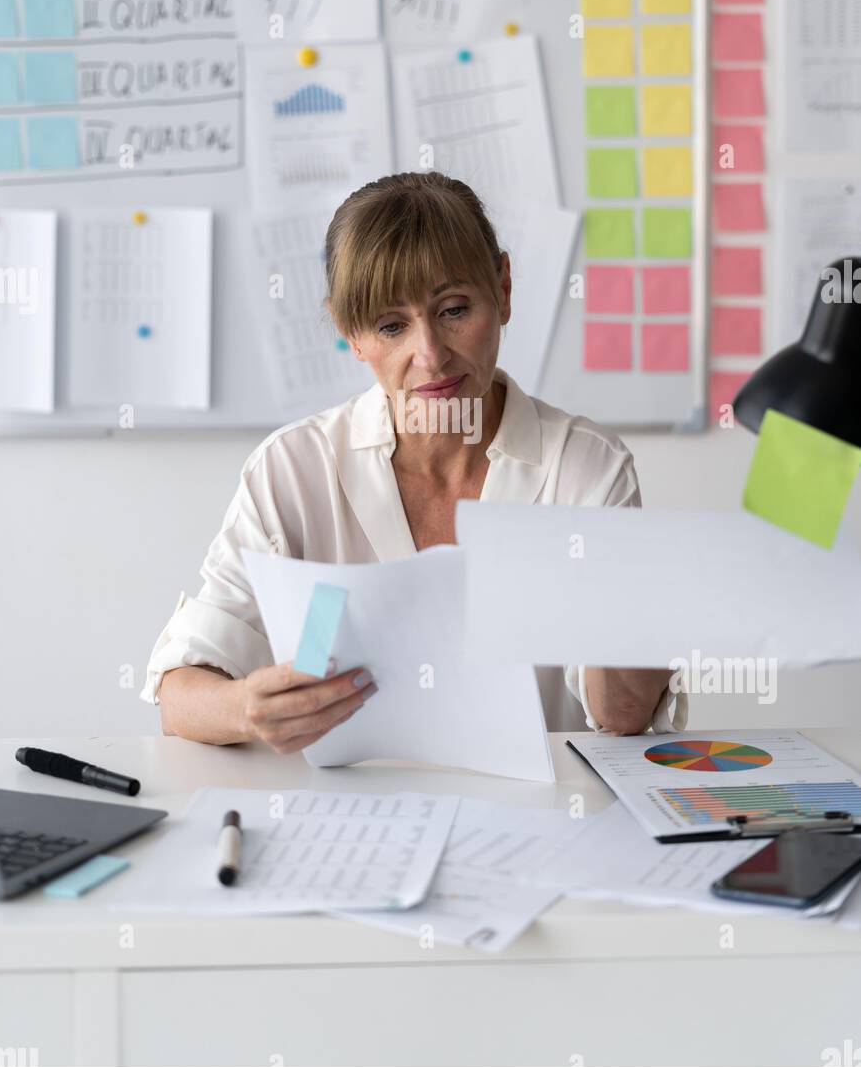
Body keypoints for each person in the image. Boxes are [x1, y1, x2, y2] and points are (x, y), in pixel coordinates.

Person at [142, 171, 687, 751]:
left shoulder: (585, 468)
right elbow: (180, 695)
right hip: (359, 822)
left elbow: (625, 714)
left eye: (453, 309)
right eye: (391, 325)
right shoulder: (294, 469)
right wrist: (245, 710)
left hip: (545, 820)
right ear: (351, 335)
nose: (429, 355)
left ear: (502, 289)